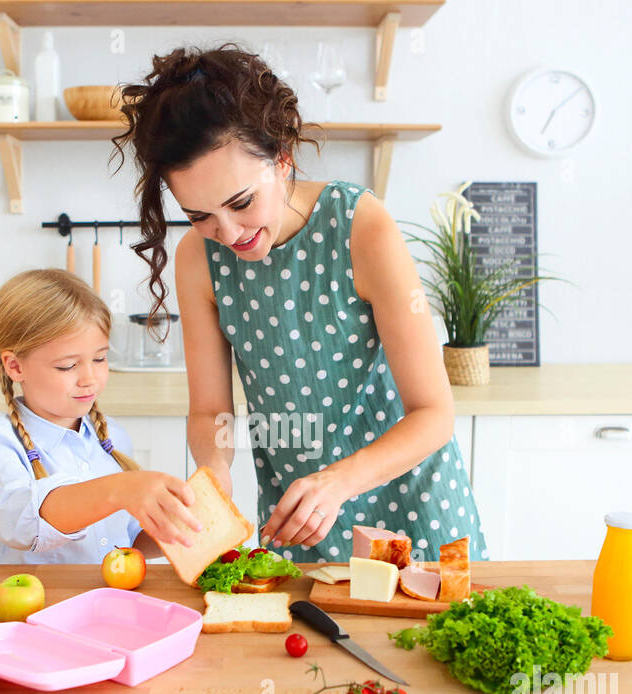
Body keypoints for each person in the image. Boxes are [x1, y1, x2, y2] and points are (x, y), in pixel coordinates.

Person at [109, 43, 488, 564]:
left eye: (242, 202)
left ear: (282, 159)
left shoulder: (361, 227)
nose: (229, 232)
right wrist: (214, 477)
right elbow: (209, 411)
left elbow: (434, 414)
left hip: (413, 511)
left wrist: (337, 483)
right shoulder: (199, 259)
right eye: (199, 215)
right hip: (298, 523)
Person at [0, 268, 202, 564]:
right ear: (15, 366)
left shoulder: (111, 437)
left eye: (100, 358)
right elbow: (21, 524)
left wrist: (181, 526)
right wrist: (120, 490)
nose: (90, 378)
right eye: (67, 366)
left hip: (114, 600)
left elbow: (128, 541)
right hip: (43, 607)